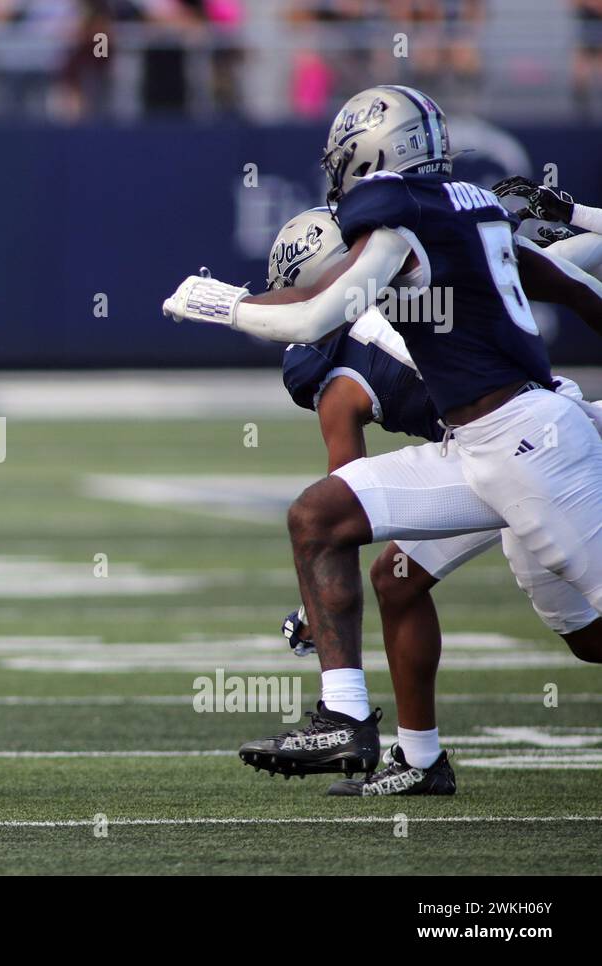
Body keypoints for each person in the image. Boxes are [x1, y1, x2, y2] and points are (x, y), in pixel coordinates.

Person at [163, 85, 602, 792]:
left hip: (531, 446)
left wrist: (221, 305)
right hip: (480, 447)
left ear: (373, 154)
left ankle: (403, 747)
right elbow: (577, 284)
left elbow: (310, 317)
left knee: (593, 639)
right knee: (319, 517)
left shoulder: (398, 227)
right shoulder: (467, 209)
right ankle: (348, 718)